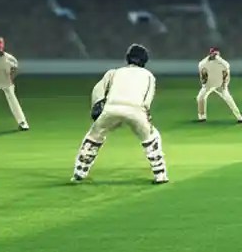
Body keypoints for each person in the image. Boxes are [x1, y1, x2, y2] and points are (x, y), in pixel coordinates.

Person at [72, 44, 169, 185]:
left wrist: (96, 109)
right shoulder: (148, 76)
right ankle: (160, 174)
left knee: (94, 136)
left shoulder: (114, 72)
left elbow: (98, 90)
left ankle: (79, 171)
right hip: (136, 110)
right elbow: (147, 99)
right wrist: (146, 115)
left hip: (111, 107)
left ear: (128, 58)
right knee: (151, 139)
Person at [196, 47, 242, 123]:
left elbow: (226, 74)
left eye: (216, 53)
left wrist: (225, 85)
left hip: (220, 85)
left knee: (229, 99)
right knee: (200, 97)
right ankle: (202, 116)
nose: (214, 55)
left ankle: (239, 117)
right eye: (213, 53)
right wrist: (204, 84)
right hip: (209, 84)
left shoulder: (223, 64)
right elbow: (202, 74)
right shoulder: (204, 63)